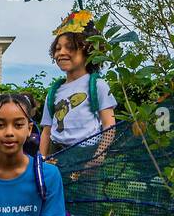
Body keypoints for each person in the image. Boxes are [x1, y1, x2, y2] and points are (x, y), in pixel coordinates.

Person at [38, 10, 117, 158]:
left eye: (70, 47)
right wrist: (41, 159)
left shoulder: (98, 86)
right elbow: (47, 131)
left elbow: (109, 125)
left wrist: (99, 156)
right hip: (57, 154)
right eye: (57, 48)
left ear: (88, 49)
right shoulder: (54, 92)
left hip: (86, 154)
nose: (61, 53)